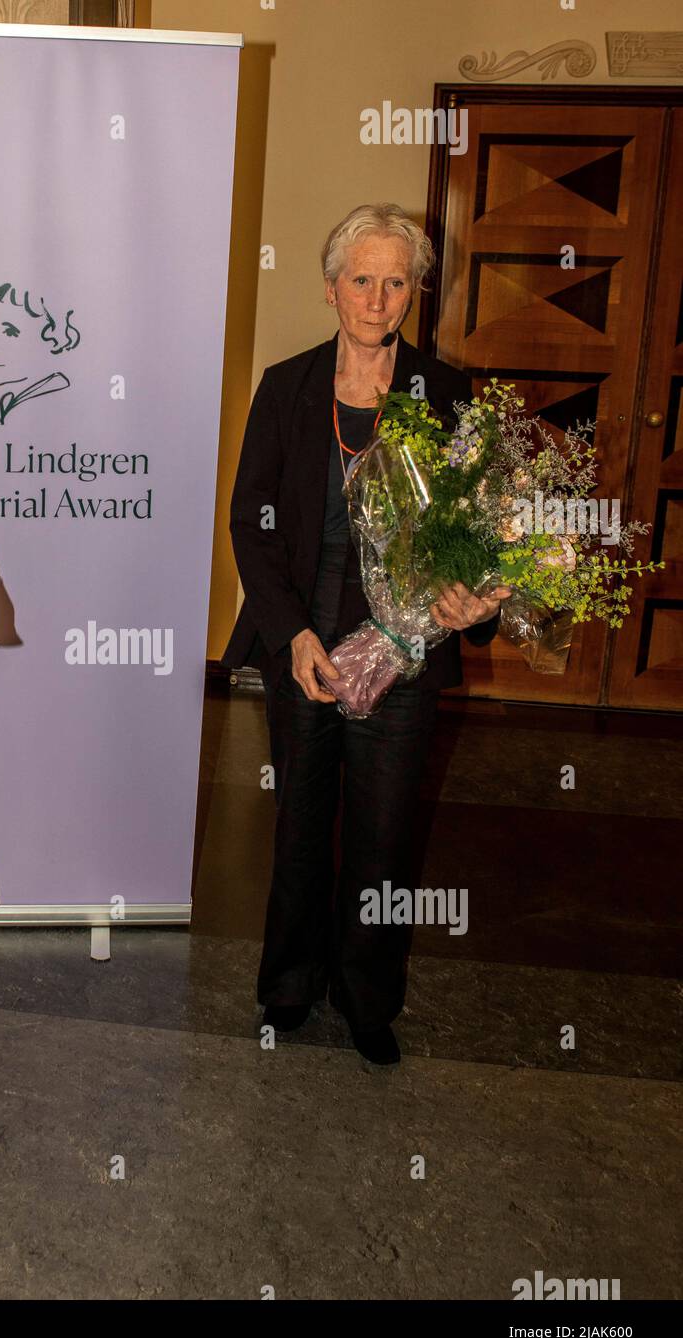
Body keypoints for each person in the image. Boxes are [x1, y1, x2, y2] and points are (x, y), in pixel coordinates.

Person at [221, 203, 511, 1066]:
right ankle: (288, 987)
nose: (378, 299)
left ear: (413, 292)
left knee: (383, 836)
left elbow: (485, 535)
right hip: (305, 649)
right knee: (301, 826)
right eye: (362, 279)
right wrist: (293, 638)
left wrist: (476, 598)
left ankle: (366, 996)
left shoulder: (449, 395)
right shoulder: (287, 386)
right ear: (330, 288)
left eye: (395, 282)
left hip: (406, 653)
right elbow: (250, 522)